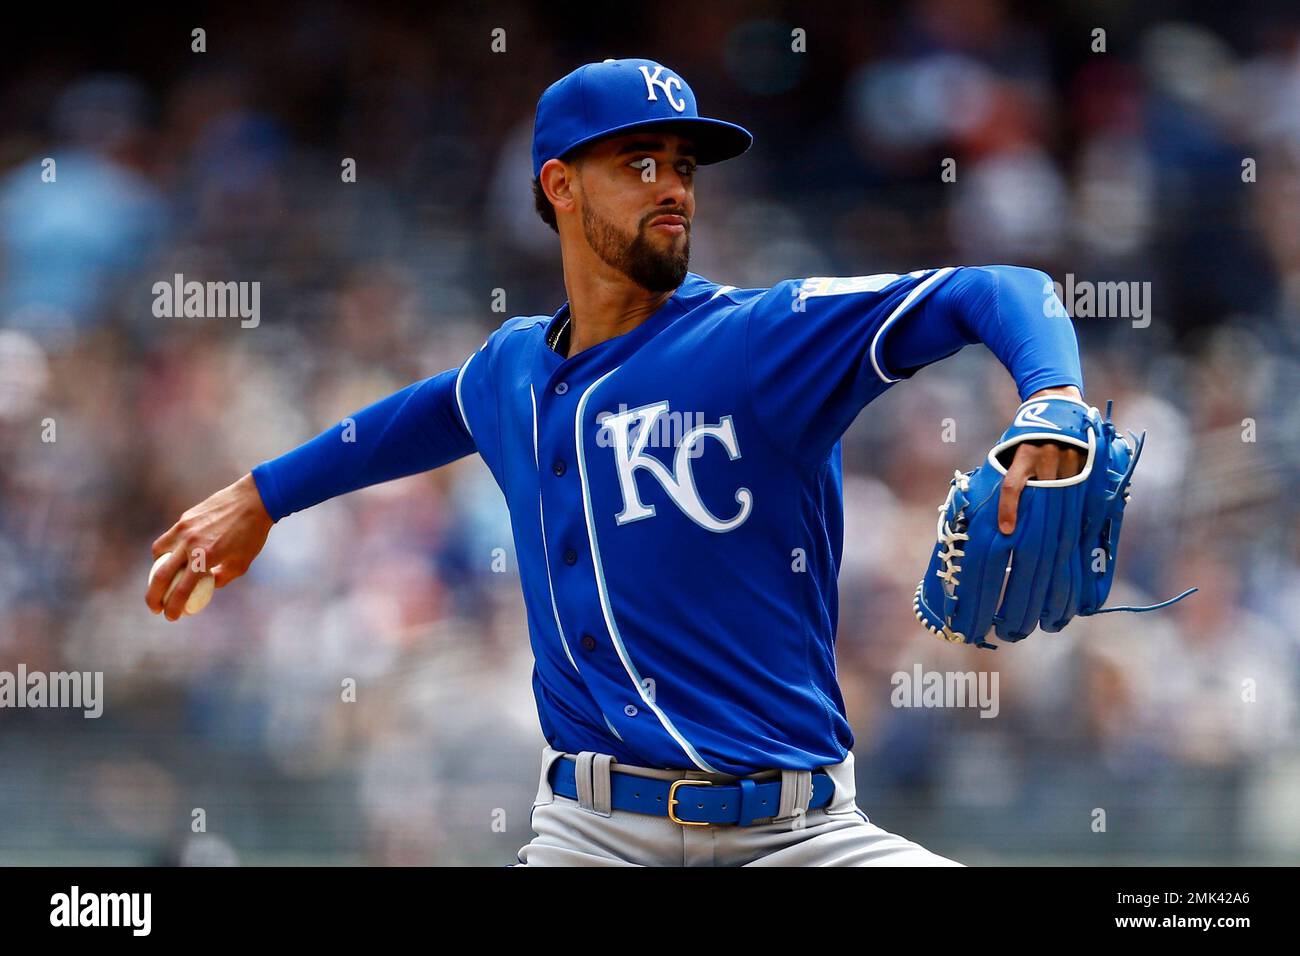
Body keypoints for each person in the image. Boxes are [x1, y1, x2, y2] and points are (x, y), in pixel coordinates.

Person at [147, 58, 1089, 866]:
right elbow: (416, 419)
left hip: (798, 837)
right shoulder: (512, 369)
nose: (673, 186)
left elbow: (998, 288)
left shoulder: (760, 341)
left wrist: (1052, 396)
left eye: (683, 165)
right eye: (640, 163)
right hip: (592, 835)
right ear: (559, 186)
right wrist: (262, 496)